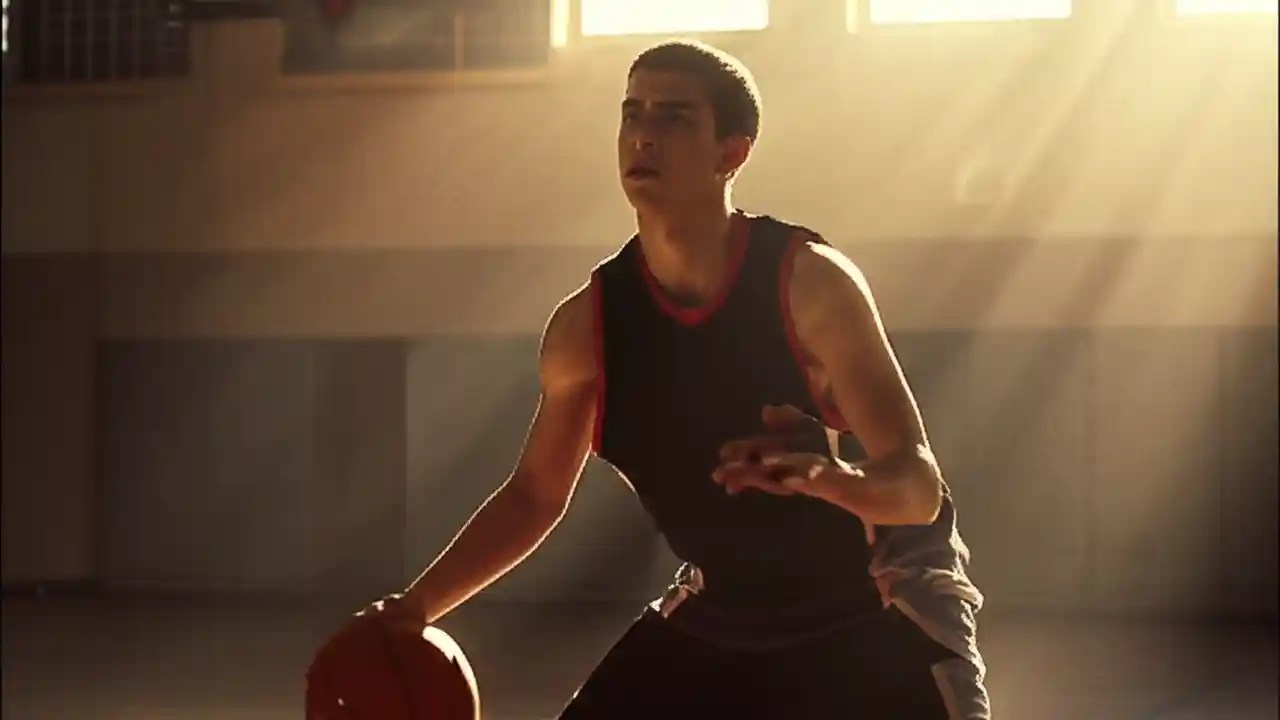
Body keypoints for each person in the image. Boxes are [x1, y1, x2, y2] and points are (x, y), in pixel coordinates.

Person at [364, 40, 989, 718]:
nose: (643, 134)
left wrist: (830, 482)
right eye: (632, 114)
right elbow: (535, 495)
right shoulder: (587, 329)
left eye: (674, 117)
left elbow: (919, 490)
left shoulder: (811, 286)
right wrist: (414, 607)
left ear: (732, 151)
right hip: (725, 607)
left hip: (875, 606)